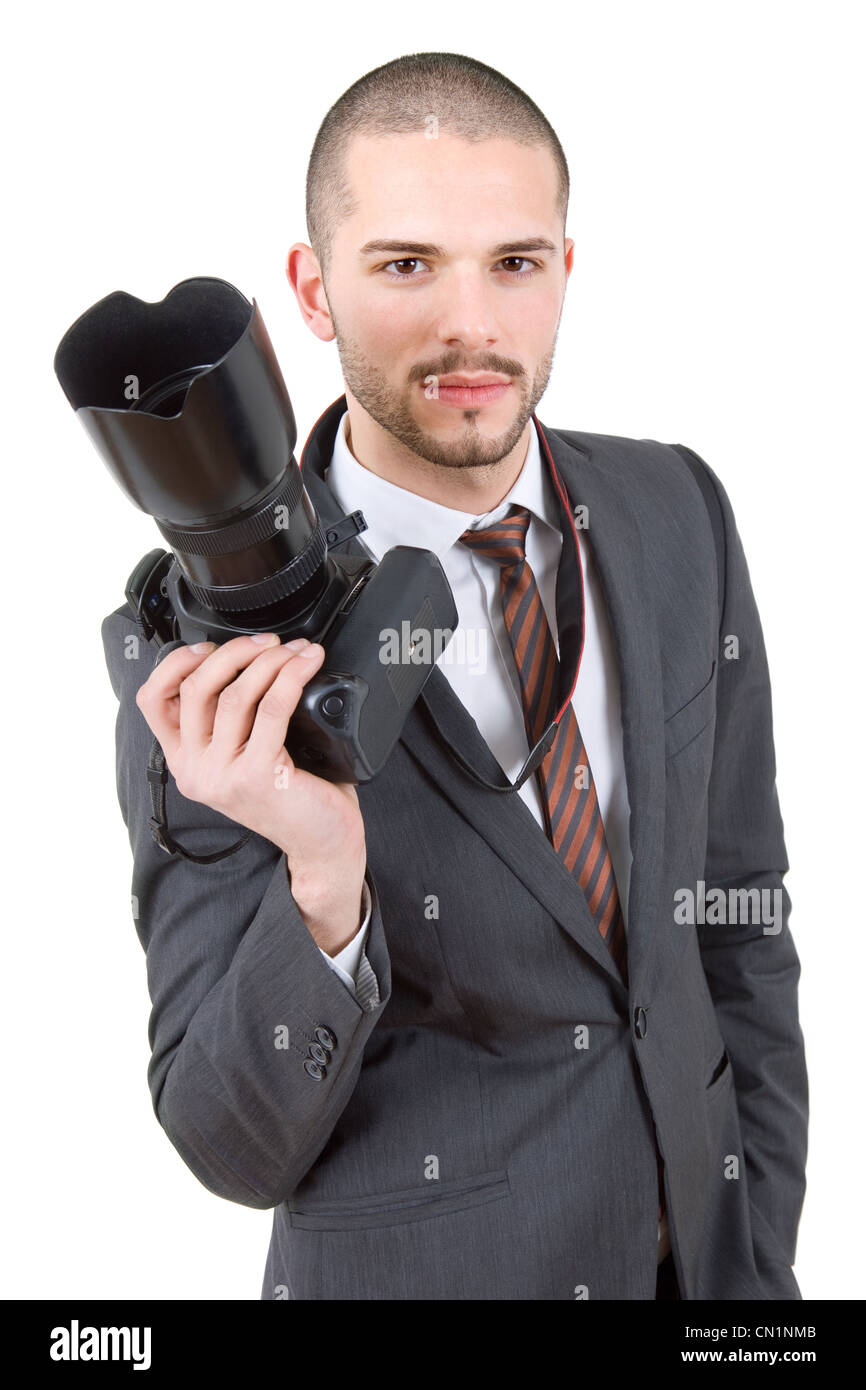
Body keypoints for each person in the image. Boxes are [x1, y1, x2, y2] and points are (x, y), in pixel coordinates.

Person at [101, 51, 808, 1300]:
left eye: (514, 264)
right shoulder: (207, 656)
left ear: (565, 273)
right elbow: (225, 1141)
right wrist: (323, 884)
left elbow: (738, 920)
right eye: (406, 265)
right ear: (311, 294)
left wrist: (751, 1278)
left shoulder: (676, 508)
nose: (470, 324)